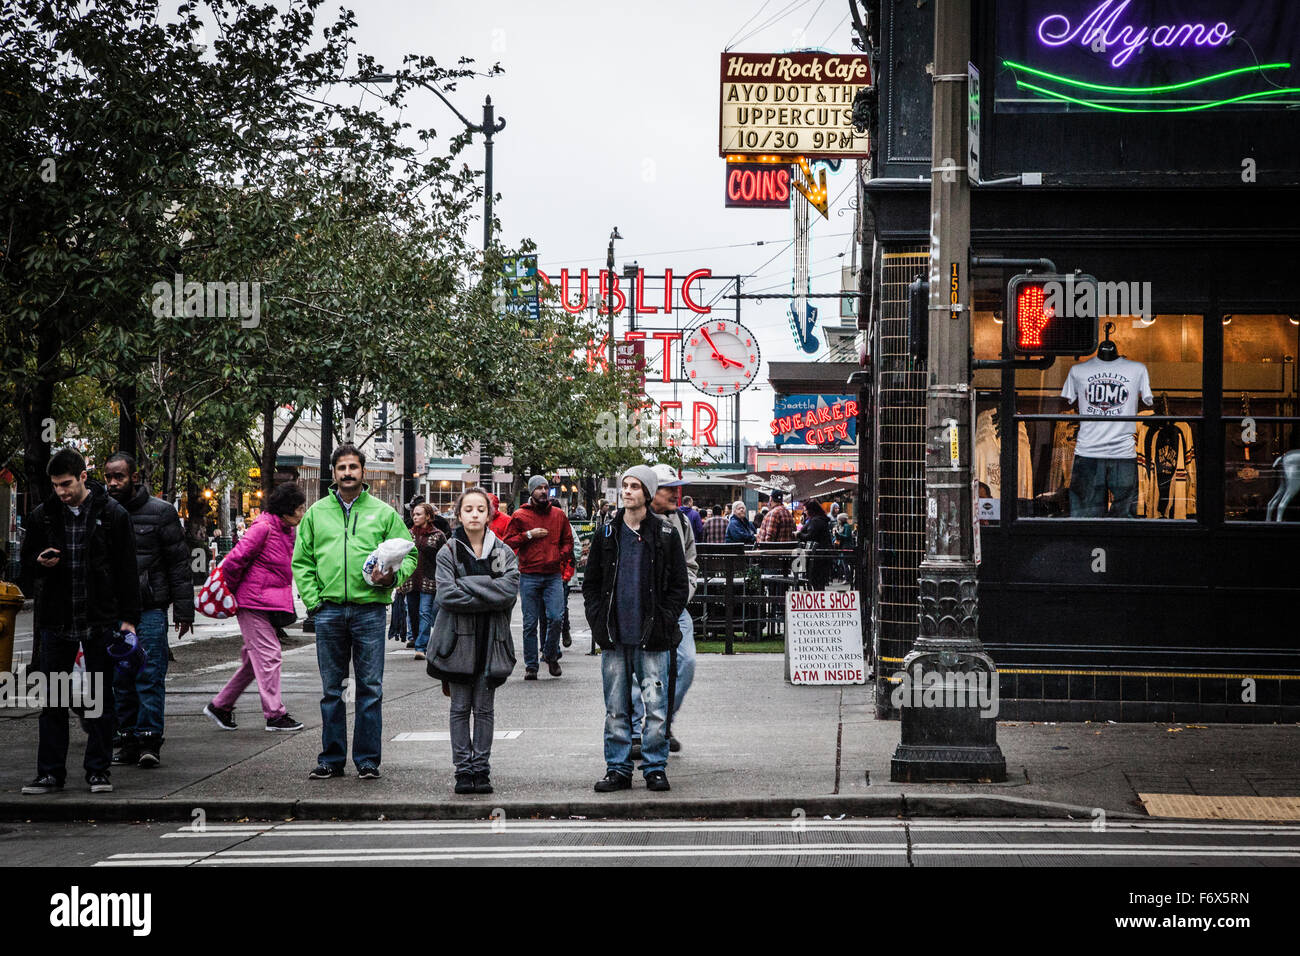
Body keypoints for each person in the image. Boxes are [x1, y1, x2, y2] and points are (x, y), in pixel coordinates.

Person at [20, 448, 139, 795]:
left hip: (98, 618)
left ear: (83, 476)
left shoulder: (112, 514)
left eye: (67, 484)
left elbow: (126, 569)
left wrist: (129, 619)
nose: (61, 491)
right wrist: (39, 562)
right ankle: (50, 773)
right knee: (53, 700)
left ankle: (98, 771)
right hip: (57, 618)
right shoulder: (44, 516)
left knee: (99, 698)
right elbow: (26, 563)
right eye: (56, 485)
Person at [292, 444, 416, 780]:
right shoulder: (316, 514)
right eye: (342, 467)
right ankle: (331, 760)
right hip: (329, 612)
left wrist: (392, 577)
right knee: (332, 689)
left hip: (371, 611)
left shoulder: (384, 513)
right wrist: (315, 603)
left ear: (364, 472)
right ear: (333, 473)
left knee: (370, 688)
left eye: (353, 467)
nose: (348, 473)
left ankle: (367, 761)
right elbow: (301, 562)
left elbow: (411, 556)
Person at [582, 465, 687, 793]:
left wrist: (666, 619)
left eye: (634, 486)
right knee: (616, 707)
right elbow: (592, 584)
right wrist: (599, 623)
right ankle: (618, 769)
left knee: (655, 707)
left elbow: (679, 587)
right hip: (615, 636)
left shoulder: (666, 534)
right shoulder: (607, 533)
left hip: (652, 636)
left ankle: (655, 768)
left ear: (647, 493)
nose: (627, 491)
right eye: (624, 485)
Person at [102, 452, 194, 768]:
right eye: (109, 477)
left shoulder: (161, 512)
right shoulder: (101, 513)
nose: (113, 483)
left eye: (120, 477)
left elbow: (179, 565)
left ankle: (149, 740)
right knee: (120, 678)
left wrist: (184, 611)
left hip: (150, 609)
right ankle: (126, 740)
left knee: (149, 675)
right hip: (113, 611)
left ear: (134, 477)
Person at [428, 487, 519, 794]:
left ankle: (481, 769)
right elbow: (447, 596)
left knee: (484, 709)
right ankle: (463, 771)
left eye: (481, 509)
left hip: (492, 642)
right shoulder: (448, 552)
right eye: (468, 509)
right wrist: (488, 590)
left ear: (490, 514)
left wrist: (467, 584)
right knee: (459, 708)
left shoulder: (503, 552)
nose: (475, 514)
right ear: (459, 514)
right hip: (456, 643)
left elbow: (508, 593)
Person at [204, 483, 307, 733]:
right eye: (300, 508)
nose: (303, 513)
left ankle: (221, 706)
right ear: (286, 509)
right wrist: (231, 591)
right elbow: (235, 559)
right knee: (270, 654)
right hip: (252, 602)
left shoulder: (287, 530)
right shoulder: (264, 527)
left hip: (266, 602)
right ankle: (275, 714)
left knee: (255, 661)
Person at [627, 463, 699, 756]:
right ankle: (635, 732)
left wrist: (682, 597)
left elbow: (691, 564)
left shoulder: (681, 522)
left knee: (686, 663)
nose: (675, 493)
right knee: (636, 672)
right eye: (669, 487)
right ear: (651, 490)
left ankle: (662, 723)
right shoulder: (631, 521)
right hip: (635, 609)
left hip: (674, 608)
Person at [503, 475, 573, 680]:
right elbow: (507, 542)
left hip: (552, 575)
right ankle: (531, 666)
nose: (544, 491)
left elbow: (568, 541)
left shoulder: (559, 515)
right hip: (529, 575)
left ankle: (550, 655)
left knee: (556, 617)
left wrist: (559, 556)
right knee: (530, 623)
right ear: (531, 491)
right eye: (539, 488)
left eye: (546, 488)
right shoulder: (520, 515)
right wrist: (529, 535)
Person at [401, 502, 446, 662]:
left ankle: (421, 646)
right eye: (414, 514)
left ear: (428, 516)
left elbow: (444, 559)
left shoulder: (438, 535)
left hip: (429, 579)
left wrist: (444, 579)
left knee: (424, 612)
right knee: (412, 613)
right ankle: (415, 638)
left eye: (419, 514)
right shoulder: (407, 534)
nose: (415, 517)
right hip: (410, 580)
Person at [795, 499, 835, 591]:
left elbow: (810, 535)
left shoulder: (816, 521)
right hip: (822, 555)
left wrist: (798, 535)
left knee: (817, 582)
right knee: (818, 583)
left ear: (811, 510)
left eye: (805, 510)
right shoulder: (818, 519)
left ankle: (820, 602)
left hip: (819, 556)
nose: (804, 512)